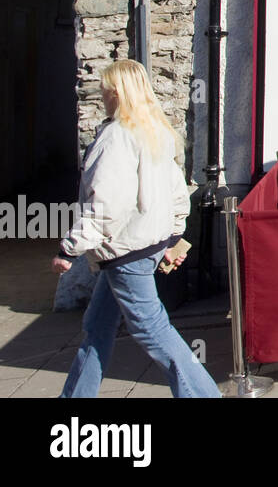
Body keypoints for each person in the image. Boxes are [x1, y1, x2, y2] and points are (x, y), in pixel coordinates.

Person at [52, 59, 221, 398]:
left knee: (153, 331)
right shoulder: (155, 130)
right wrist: (173, 237)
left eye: (103, 89)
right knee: (97, 327)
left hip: (126, 253)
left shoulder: (116, 137)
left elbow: (106, 206)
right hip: (144, 247)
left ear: (115, 92)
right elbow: (177, 193)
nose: (100, 94)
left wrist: (70, 248)